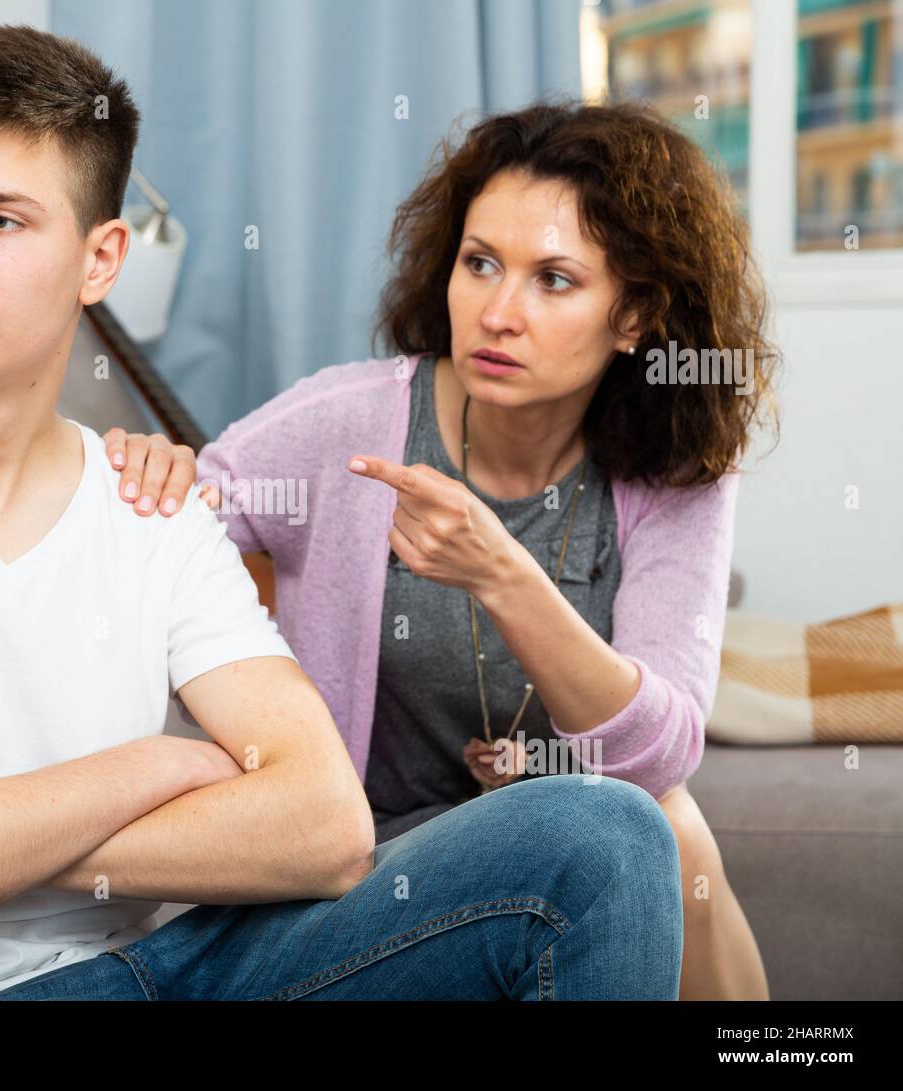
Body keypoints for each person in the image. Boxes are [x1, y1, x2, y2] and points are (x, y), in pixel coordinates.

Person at [0, 25, 683, 1001]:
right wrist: (159, 767)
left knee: (606, 836)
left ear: (101, 259)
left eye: (0, 219)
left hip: (160, 965)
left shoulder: (148, 502)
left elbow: (325, 826)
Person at [104, 100, 777, 1001]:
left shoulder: (677, 470)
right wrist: (149, 473)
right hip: (363, 870)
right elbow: (159, 534)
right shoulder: (349, 423)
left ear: (635, 316)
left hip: (563, 850)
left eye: (554, 280)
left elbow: (661, 752)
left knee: (669, 822)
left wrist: (502, 573)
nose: (498, 312)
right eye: (480, 263)